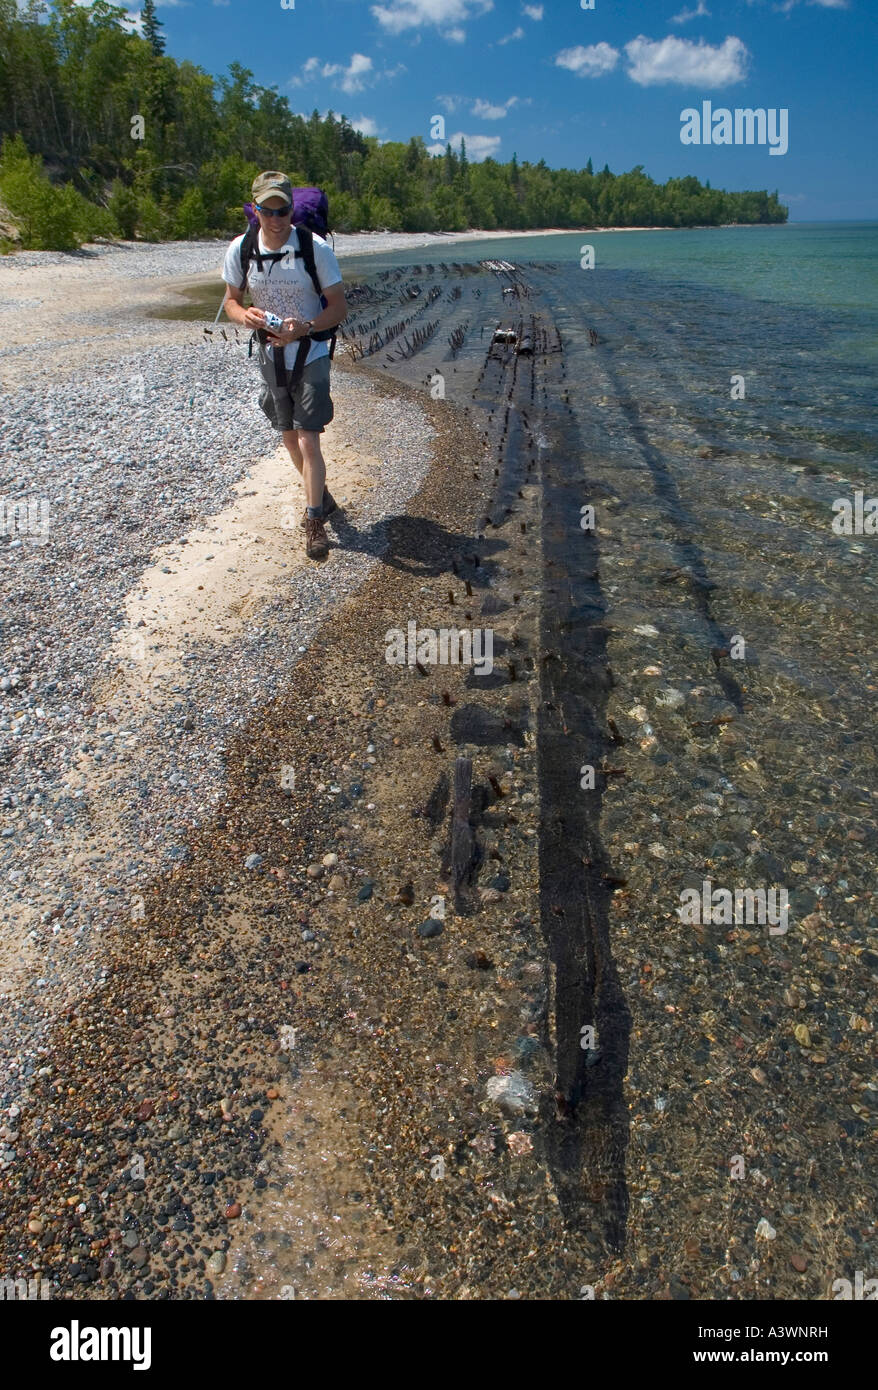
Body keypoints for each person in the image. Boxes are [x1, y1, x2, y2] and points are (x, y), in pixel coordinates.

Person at [222, 172, 348, 560]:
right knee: (288, 436)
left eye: (284, 211)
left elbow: (339, 307)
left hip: (310, 351)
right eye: (268, 211)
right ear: (255, 209)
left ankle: (313, 522)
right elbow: (230, 300)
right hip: (270, 355)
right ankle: (321, 496)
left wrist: (305, 327)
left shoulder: (315, 249)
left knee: (308, 436)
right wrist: (246, 317)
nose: (277, 219)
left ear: (293, 209)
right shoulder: (241, 250)